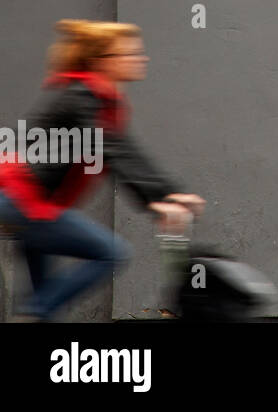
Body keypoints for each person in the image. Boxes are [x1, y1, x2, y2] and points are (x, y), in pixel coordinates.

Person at [0, 20, 205, 322]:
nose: (141, 59)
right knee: (112, 252)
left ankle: (36, 315)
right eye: (130, 54)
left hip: (26, 204)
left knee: (45, 303)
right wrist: (160, 197)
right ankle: (33, 314)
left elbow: (121, 150)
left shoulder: (96, 98)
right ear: (101, 62)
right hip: (23, 204)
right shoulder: (83, 97)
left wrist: (164, 195)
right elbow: (111, 147)